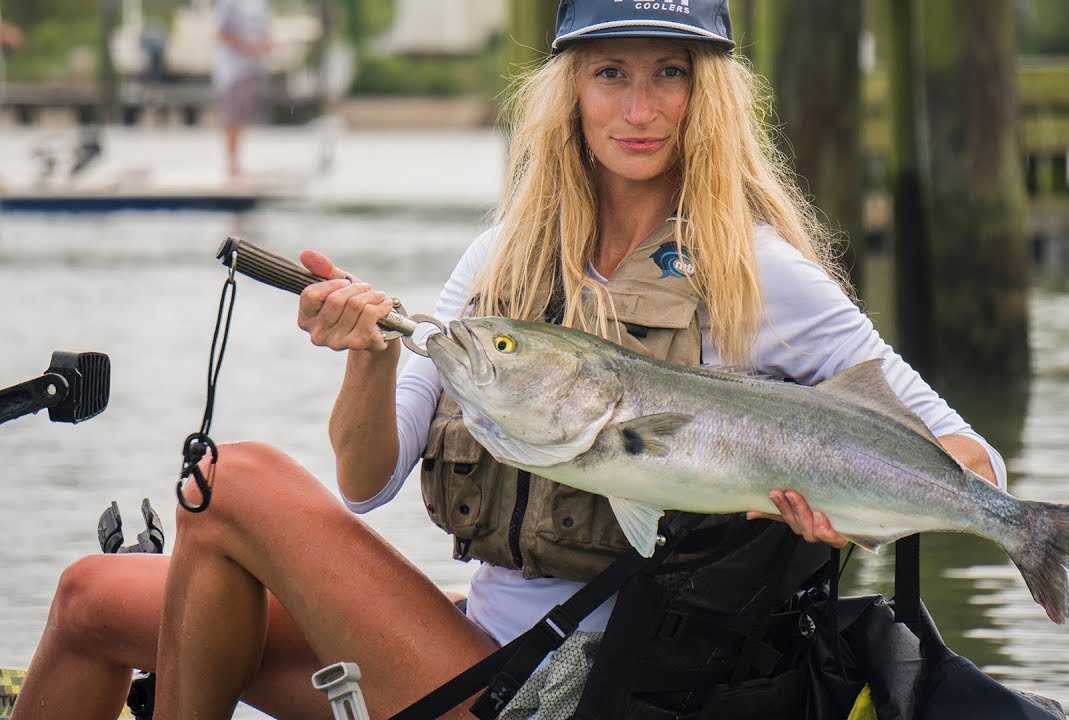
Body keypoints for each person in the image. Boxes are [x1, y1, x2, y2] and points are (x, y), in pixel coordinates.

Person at [10, 1, 1006, 718]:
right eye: (609, 71)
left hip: (572, 689)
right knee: (91, 597)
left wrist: (863, 500)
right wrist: (360, 355)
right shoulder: (498, 260)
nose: (639, 106)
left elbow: (971, 459)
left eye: (669, 72)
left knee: (231, 482)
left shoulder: (758, 274)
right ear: (569, 88)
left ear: (709, 95)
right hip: (471, 641)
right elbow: (365, 483)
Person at [213, 0, 273, 180]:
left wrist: (267, 43)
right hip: (233, 69)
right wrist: (249, 47)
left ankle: (237, 164)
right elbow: (222, 33)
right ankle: (232, 166)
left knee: (243, 117)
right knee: (233, 117)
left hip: (253, 67)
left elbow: (266, 28)